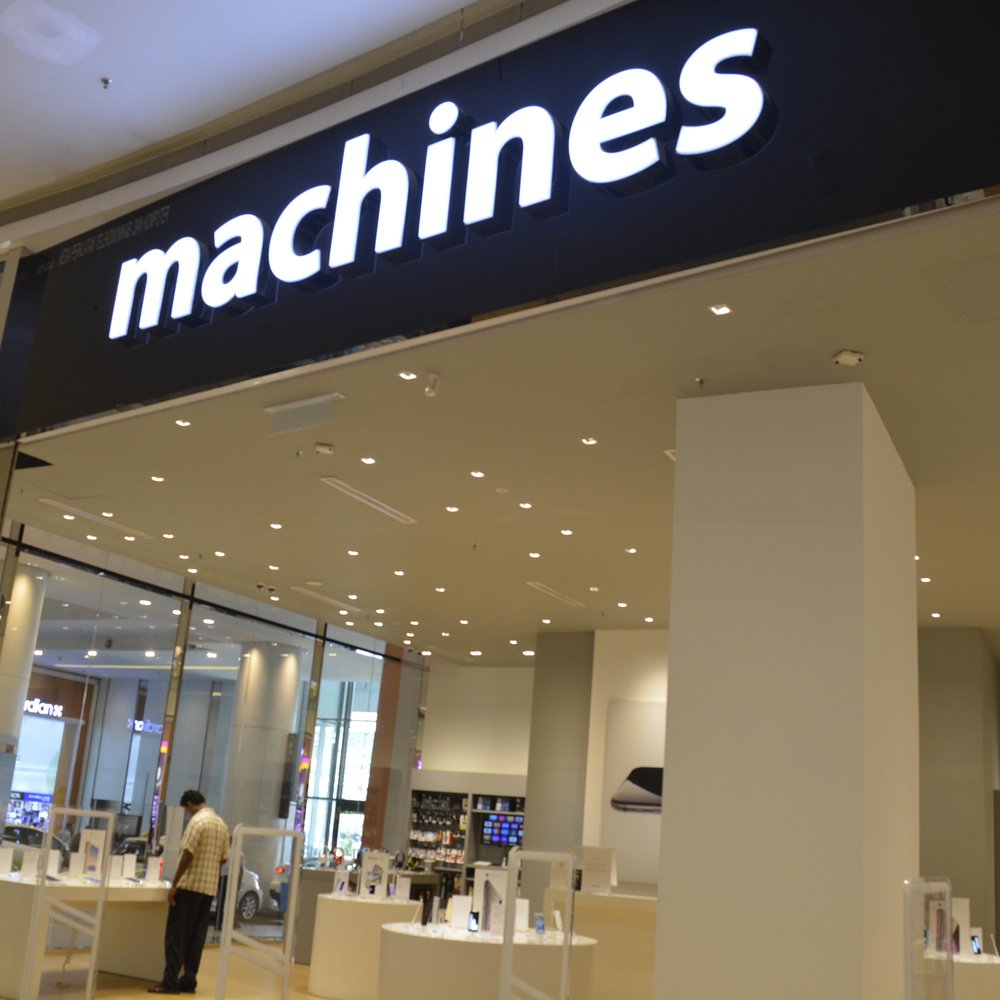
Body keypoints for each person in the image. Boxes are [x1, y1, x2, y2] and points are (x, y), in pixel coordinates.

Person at [148, 790, 229, 994]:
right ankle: (189, 981)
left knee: (177, 936)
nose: (187, 813)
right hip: (208, 889)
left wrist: (174, 884)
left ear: (190, 804)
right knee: (196, 938)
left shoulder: (197, 822)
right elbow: (223, 859)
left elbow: (187, 855)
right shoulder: (221, 825)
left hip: (190, 886)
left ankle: (169, 983)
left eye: (187, 809)